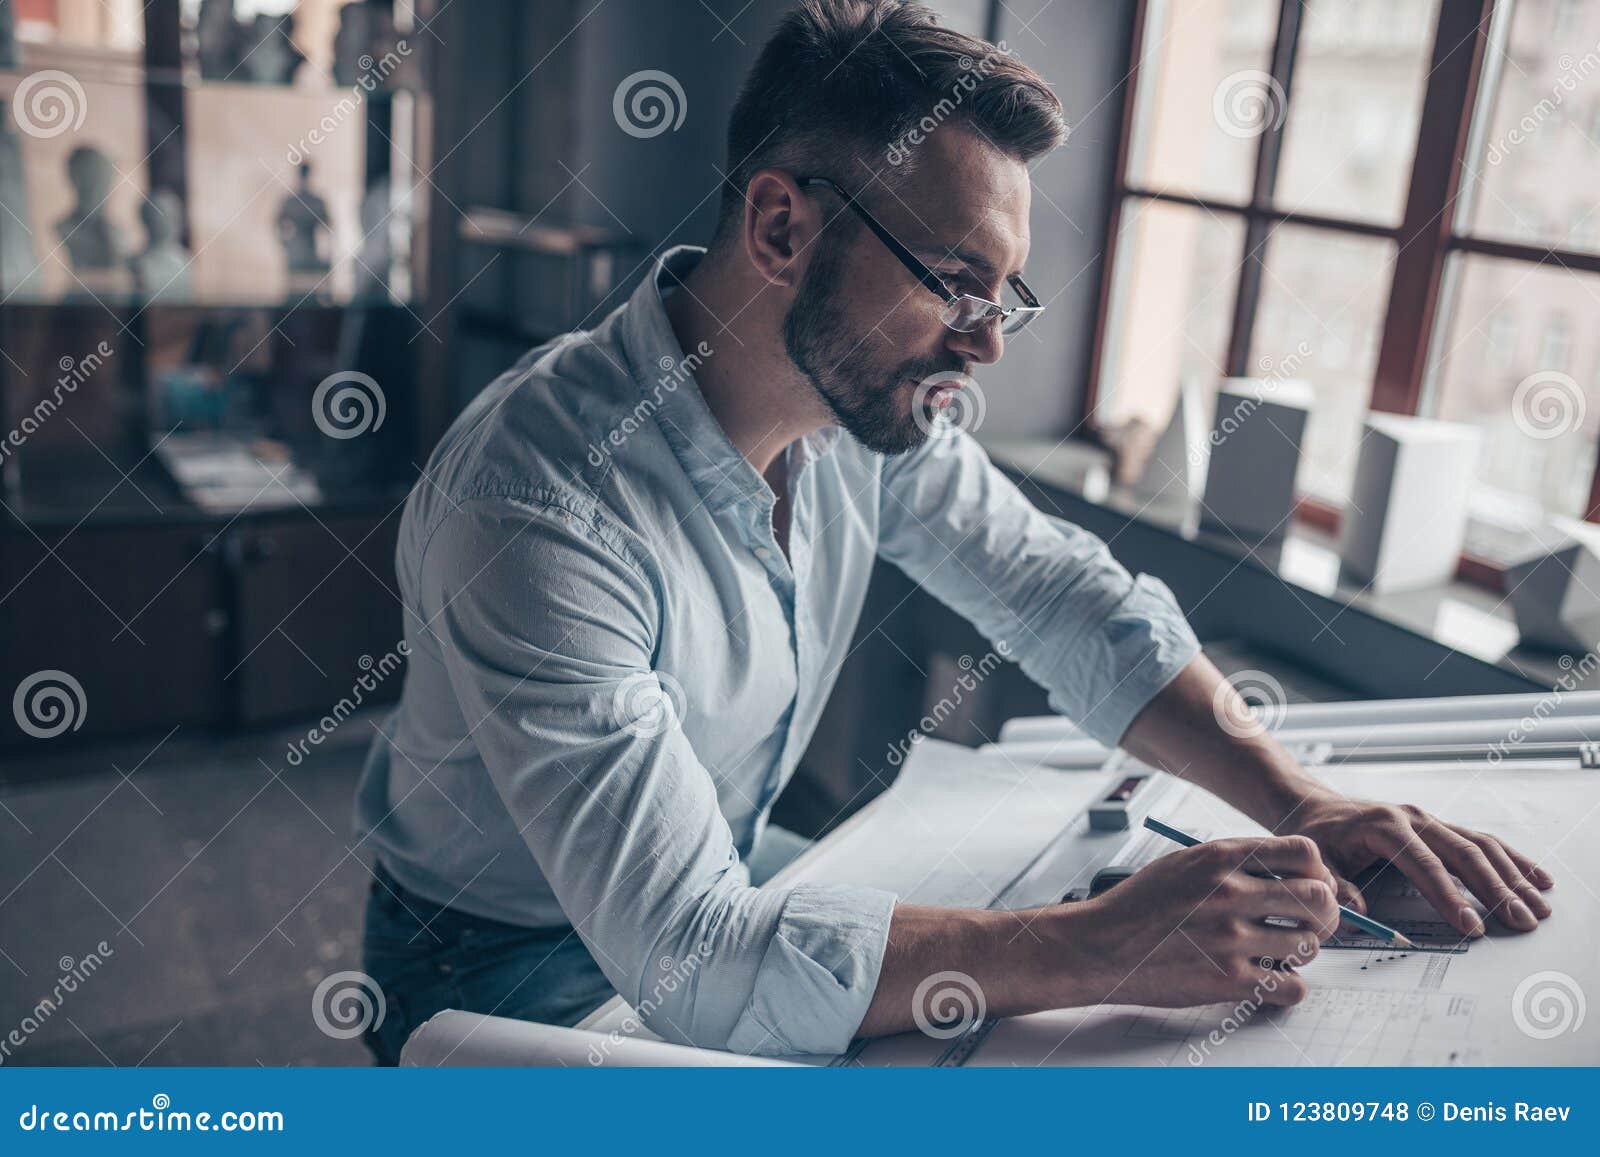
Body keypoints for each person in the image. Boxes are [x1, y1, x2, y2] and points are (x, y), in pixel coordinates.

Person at [355, 0, 1552, 1064]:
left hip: (720, 861)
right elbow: (692, 953)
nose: (983, 342)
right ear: (780, 229)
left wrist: (1295, 800)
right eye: (951, 280)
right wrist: (1104, 944)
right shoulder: (536, 506)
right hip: (500, 962)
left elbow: (1060, 595)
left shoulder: (859, 412)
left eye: (1004, 297)